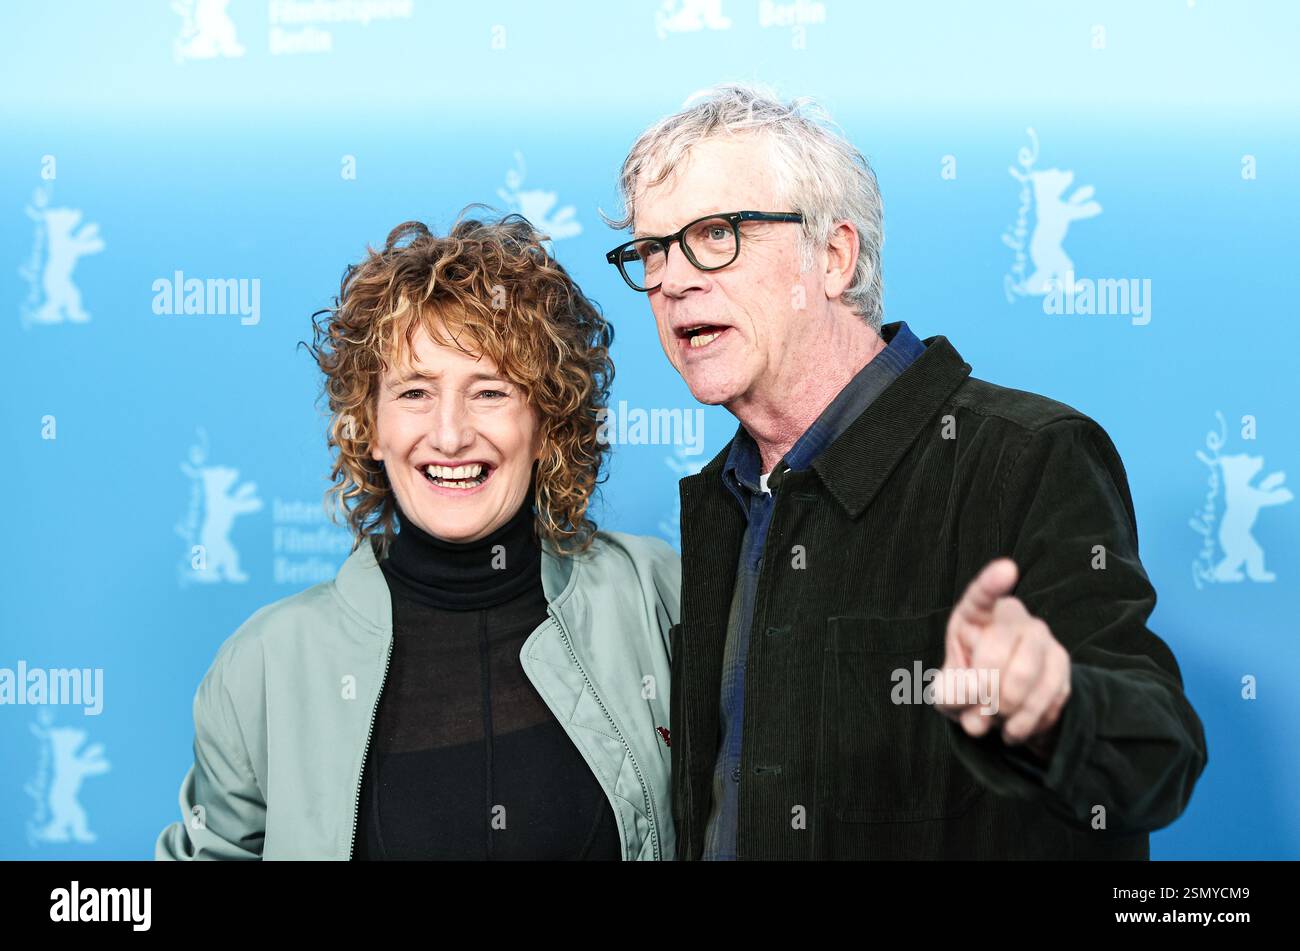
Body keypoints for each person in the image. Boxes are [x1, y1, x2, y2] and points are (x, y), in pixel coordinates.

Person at [602, 83, 1208, 859]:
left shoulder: (1028, 456)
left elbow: (1159, 759)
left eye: (715, 234)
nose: (674, 279)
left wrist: (1054, 704)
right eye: (653, 249)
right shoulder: (723, 502)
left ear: (833, 256)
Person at [156, 211, 678, 860]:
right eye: (414, 393)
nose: (451, 433)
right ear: (368, 425)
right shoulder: (266, 665)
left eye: (489, 391)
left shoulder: (655, 600)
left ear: (546, 423)